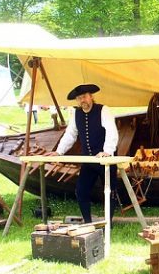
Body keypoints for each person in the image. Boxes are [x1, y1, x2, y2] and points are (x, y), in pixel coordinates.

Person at [49, 84, 119, 223]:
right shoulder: (76, 114)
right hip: (89, 161)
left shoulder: (103, 110)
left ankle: (108, 223)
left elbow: (111, 131)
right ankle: (87, 222)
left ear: (91, 96)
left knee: (110, 191)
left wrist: (107, 151)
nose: (82, 100)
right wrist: (58, 151)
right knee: (81, 190)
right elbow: (70, 135)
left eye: (85, 97)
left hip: (106, 159)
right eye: (79, 98)